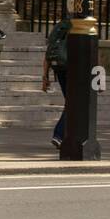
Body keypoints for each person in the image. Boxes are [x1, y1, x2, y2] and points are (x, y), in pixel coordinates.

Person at [42, 13, 72, 149]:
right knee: (73, 103)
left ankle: (66, 135)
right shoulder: (80, 26)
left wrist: (45, 76)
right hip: (72, 68)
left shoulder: (59, 26)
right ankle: (59, 135)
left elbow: (48, 52)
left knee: (71, 102)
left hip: (58, 67)